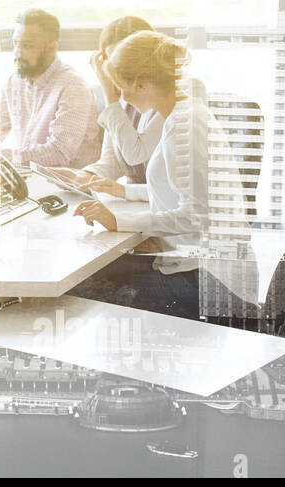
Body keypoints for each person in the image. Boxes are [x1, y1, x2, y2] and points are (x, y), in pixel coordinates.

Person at [67, 31, 215, 318]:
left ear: (143, 84)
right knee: (88, 269)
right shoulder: (179, 116)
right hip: (186, 265)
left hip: (198, 282)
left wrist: (119, 220)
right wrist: (124, 191)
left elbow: (196, 214)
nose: (121, 96)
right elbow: (182, 191)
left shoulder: (184, 127)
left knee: (77, 288)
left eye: (121, 87)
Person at [40, 15, 161, 189]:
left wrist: (109, 96)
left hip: (154, 203)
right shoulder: (122, 100)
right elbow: (112, 163)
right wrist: (82, 176)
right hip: (134, 203)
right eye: (111, 62)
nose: (117, 70)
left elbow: (136, 155)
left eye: (125, 61)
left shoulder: (165, 99)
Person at [0, 8, 101, 168]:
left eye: (27, 46)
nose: (17, 53)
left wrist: (1, 157)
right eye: (15, 44)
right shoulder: (14, 82)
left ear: (51, 48)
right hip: (34, 182)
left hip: (67, 187)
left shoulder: (73, 87)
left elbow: (58, 153)